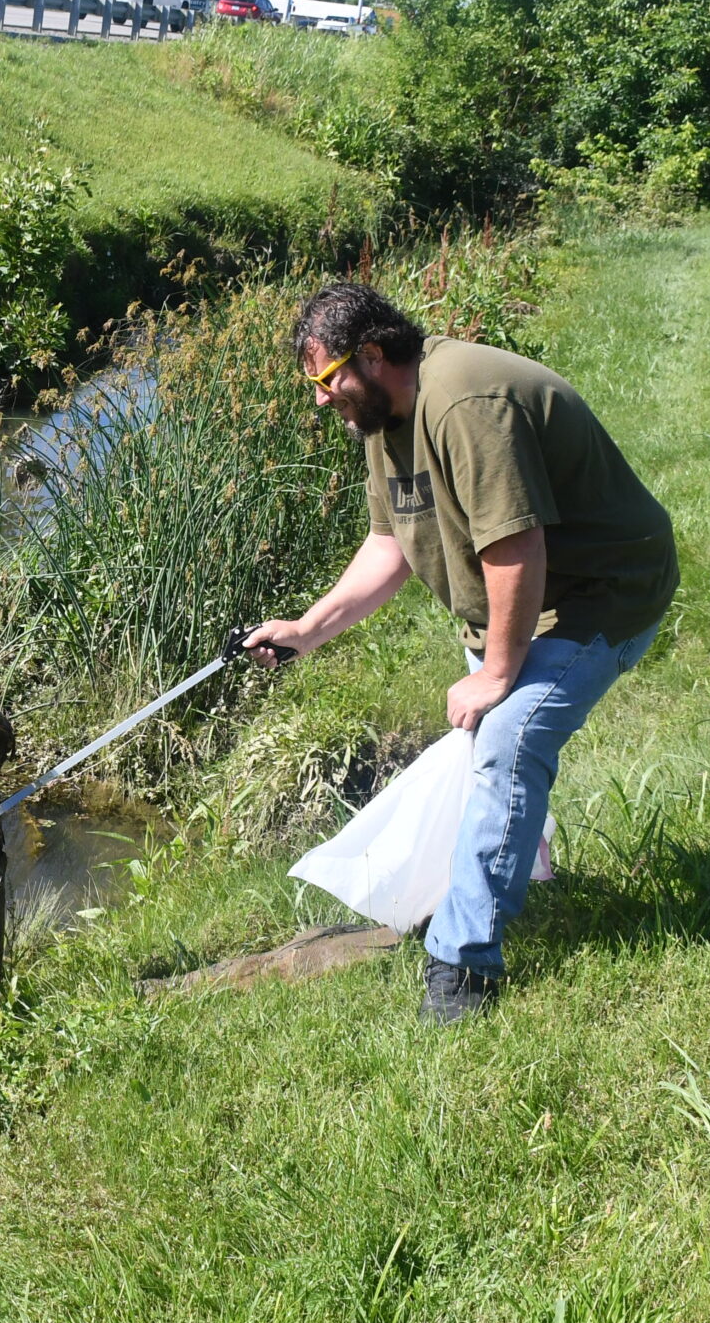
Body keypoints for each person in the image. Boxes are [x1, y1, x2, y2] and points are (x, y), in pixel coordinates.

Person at [246, 283, 677, 1025]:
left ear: (371, 355)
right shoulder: (383, 418)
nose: (318, 399)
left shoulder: (461, 403)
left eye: (326, 379)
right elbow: (389, 544)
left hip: (605, 592)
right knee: (492, 750)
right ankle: (519, 884)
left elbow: (517, 548)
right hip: (530, 603)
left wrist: (500, 673)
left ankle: (462, 963)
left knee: (508, 736)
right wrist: (306, 630)